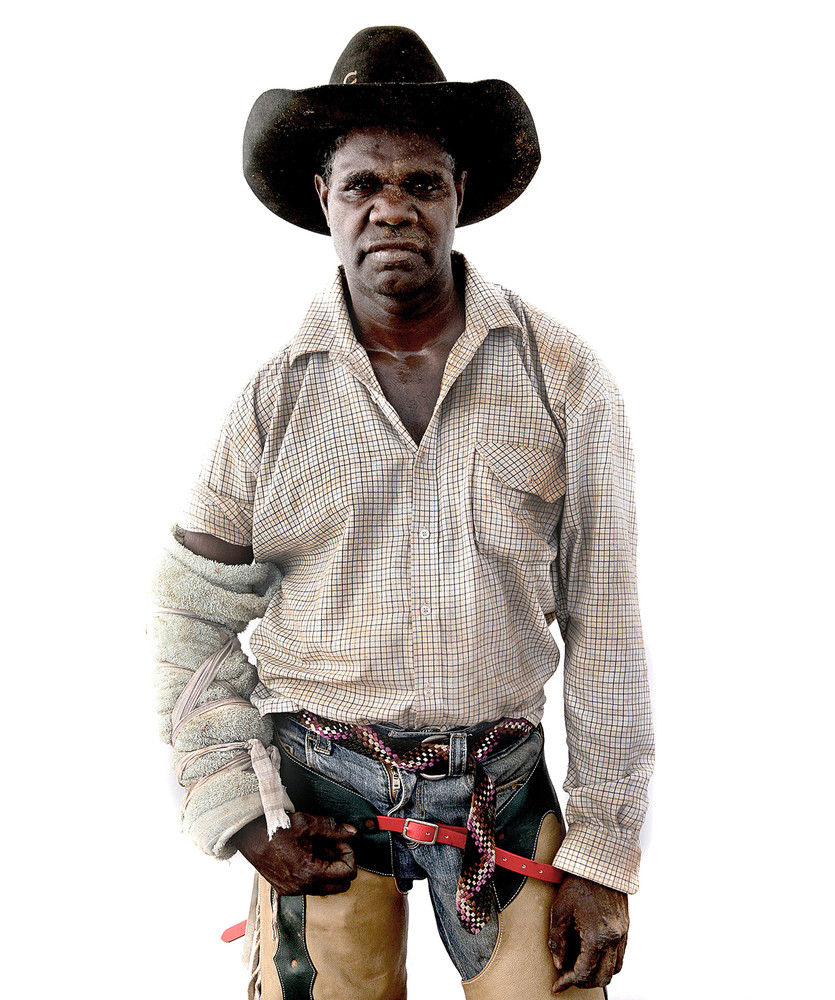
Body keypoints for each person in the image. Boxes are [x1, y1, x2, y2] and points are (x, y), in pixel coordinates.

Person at [150, 25, 653, 1000]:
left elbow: (607, 625)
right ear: (323, 201)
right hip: (321, 791)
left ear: (459, 193)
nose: (392, 209)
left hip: (499, 790)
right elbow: (189, 614)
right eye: (362, 186)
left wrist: (604, 853)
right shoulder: (273, 400)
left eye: (420, 184)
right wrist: (242, 815)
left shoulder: (562, 378)